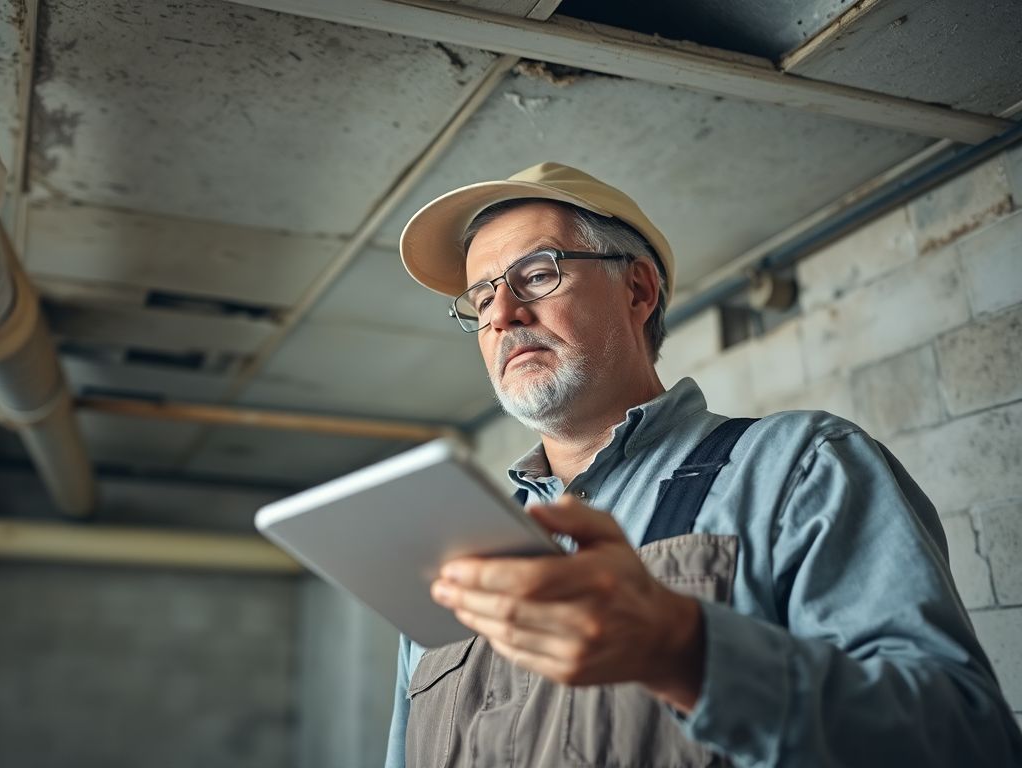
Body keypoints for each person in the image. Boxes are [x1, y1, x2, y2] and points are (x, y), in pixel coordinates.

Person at [384, 162, 1022, 767]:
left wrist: (689, 651)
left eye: (538, 274)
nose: (501, 315)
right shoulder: (456, 547)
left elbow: (968, 741)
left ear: (638, 288)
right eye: (481, 296)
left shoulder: (799, 470)